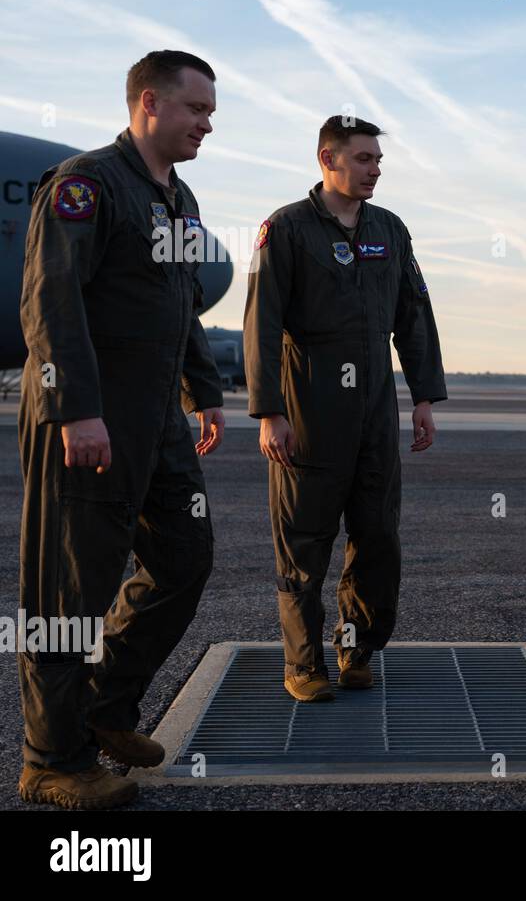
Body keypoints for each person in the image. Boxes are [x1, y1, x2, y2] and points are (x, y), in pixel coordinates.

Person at [17, 50, 226, 809]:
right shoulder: (86, 184)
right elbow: (51, 300)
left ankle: (106, 704)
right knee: (68, 593)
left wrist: (204, 391)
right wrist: (76, 407)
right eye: (195, 109)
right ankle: (52, 758)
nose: (208, 123)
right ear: (148, 104)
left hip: (155, 423)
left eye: (209, 111)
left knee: (185, 556)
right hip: (87, 419)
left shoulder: (181, 200)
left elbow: (182, 303)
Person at [243, 115, 445, 703]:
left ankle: (356, 648)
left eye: (378, 159)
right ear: (327, 159)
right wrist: (267, 411)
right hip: (309, 406)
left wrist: (423, 398)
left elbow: (414, 315)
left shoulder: (391, 229)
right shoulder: (285, 229)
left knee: (378, 535)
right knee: (304, 540)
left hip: (375, 409)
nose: (375, 169)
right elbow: (261, 325)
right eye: (363, 158)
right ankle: (303, 664)